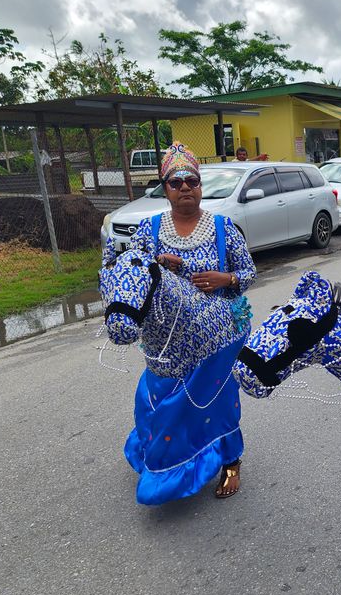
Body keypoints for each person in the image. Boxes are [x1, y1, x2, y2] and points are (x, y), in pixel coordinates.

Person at [105, 142, 257, 502]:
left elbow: (248, 272)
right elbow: (134, 271)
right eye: (176, 182)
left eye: (192, 181)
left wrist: (226, 279)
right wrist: (157, 262)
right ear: (165, 188)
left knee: (215, 400)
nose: (186, 187)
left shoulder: (222, 228)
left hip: (217, 332)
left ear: (201, 186)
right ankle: (161, 457)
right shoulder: (149, 229)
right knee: (155, 399)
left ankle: (230, 461)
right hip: (164, 337)